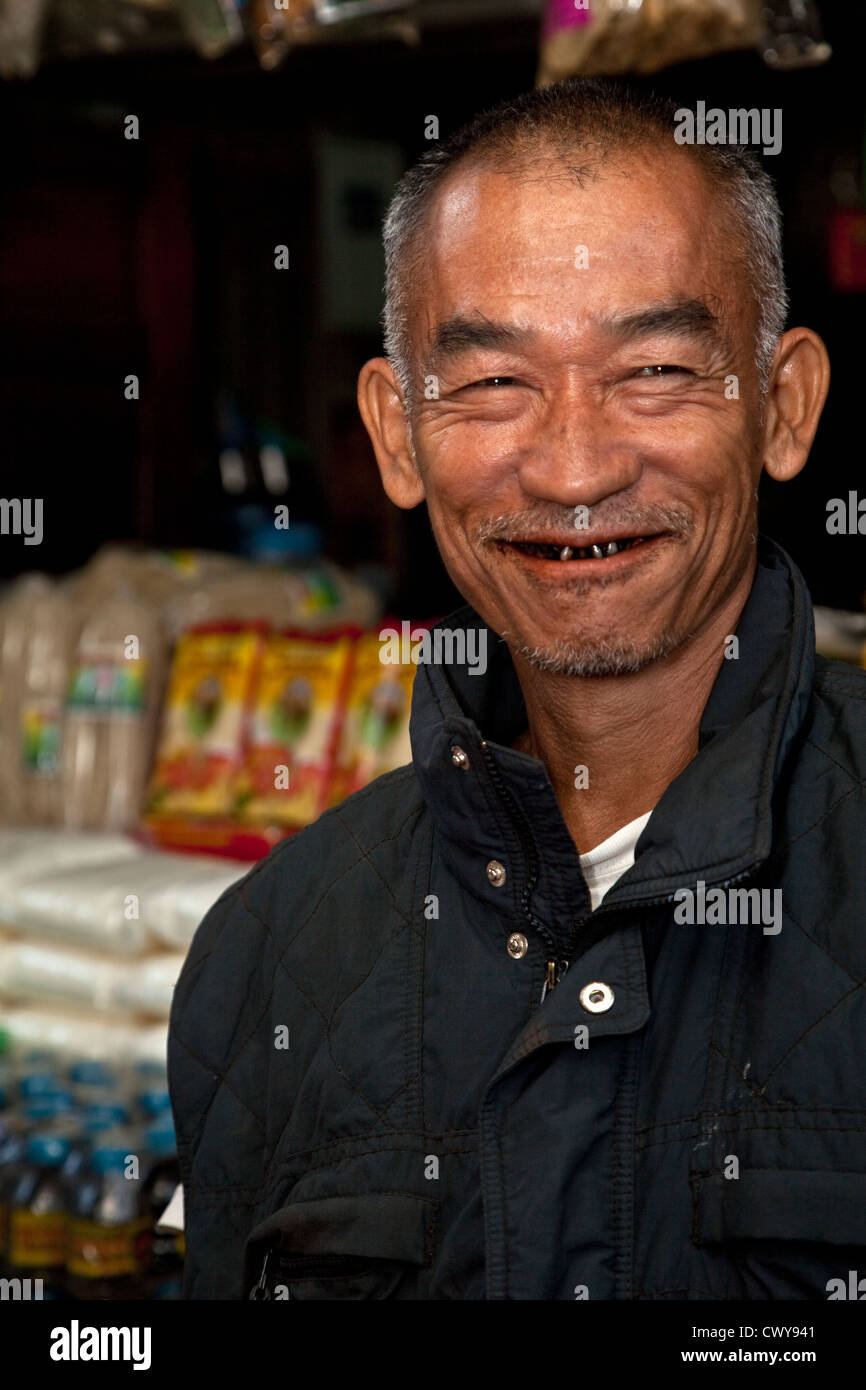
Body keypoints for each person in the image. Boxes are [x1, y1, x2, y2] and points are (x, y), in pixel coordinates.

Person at [168, 78, 866, 1301]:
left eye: (651, 368)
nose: (573, 464)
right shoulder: (263, 960)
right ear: (395, 434)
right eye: (493, 382)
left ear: (782, 405)